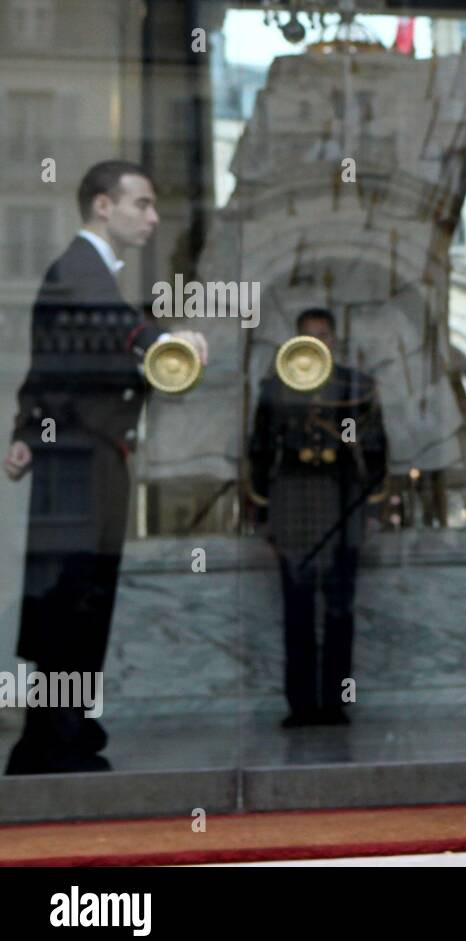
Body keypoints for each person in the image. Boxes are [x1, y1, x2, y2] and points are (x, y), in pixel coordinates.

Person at [4, 160, 209, 774]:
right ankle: (59, 739)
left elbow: (49, 367)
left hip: (83, 457)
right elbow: (112, 326)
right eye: (141, 204)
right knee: (75, 598)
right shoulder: (81, 270)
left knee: (77, 598)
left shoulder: (88, 274)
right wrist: (162, 341)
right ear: (102, 205)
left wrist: (22, 431)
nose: (151, 217)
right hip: (80, 462)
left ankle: (54, 736)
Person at [248, 308, 387, 728]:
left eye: (323, 335)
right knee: (298, 604)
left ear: (335, 340)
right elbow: (259, 450)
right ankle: (301, 704)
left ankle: (335, 702)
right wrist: (263, 512)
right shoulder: (274, 387)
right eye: (309, 335)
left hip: (341, 496)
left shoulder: (355, 386)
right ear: (295, 339)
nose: (318, 343)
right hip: (292, 496)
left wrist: (374, 507)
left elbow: (377, 447)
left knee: (339, 607)